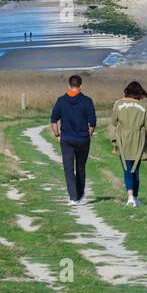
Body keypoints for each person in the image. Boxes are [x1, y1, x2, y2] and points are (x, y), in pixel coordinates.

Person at [50, 74, 96, 205]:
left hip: (67, 139)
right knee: (81, 167)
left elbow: (53, 120)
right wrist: (89, 135)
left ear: (68, 86)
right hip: (82, 139)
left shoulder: (61, 100)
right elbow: (93, 122)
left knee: (68, 168)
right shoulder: (87, 101)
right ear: (81, 86)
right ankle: (80, 194)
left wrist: (57, 135)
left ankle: (73, 197)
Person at [109, 82, 147, 207]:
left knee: (126, 169)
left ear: (127, 92)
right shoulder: (143, 106)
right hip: (138, 141)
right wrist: (146, 136)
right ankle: (135, 197)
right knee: (135, 170)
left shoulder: (118, 103)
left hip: (122, 140)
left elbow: (113, 121)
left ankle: (130, 197)